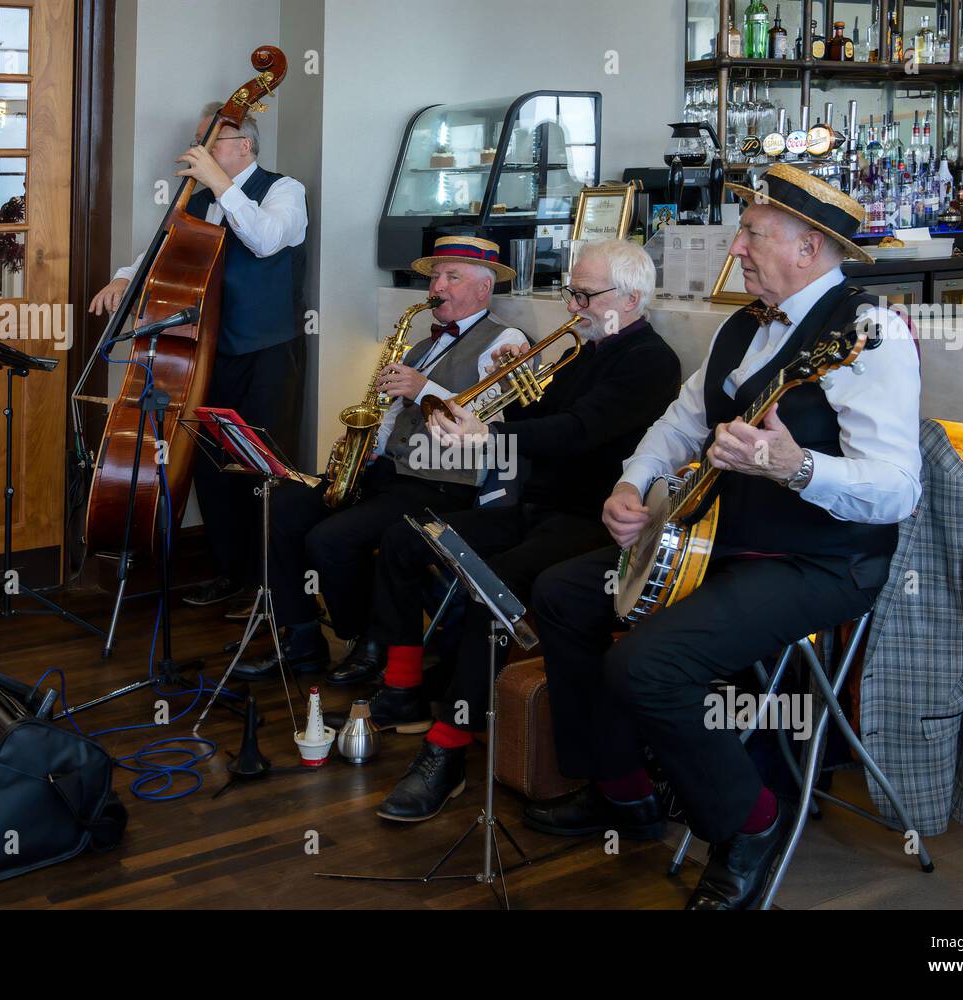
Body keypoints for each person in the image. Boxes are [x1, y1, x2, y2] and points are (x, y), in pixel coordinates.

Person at [527, 164, 923, 910]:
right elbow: (678, 424)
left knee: (647, 665)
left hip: (821, 559)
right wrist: (630, 484)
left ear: (809, 248)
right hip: (718, 540)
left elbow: (898, 490)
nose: (734, 247)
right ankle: (623, 789)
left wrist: (799, 466)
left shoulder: (871, 334)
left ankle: (751, 825)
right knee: (562, 593)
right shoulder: (742, 323)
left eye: (752, 233)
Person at [361, 239, 682, 823]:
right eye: (571, 293)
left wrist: (492, 437)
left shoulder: (649, 361)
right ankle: (403, 686)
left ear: (631, 298)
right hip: (533, 508)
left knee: (495, 584)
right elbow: (534, 417)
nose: (573, 307)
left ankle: (447, 751)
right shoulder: (583, 351)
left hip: (592, 522)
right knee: (411, 536)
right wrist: (477, 412)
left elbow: (577, 430)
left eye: (585, 295)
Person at [230, 237, 530, 682]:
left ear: (484, 289)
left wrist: (422, 387)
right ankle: (302, 637)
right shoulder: (420, 345)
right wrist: (365, 448)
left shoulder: (505, 341)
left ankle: (370, 641)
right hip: (392, 471)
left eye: (452, 277)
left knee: (331, 539)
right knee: (284, 503)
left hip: (445, 482)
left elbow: (491, 419)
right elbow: (391, 413)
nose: (437, 287)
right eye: (434, 276)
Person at [89, 103, 308, 610]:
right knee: (211, 467)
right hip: (207, 353)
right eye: (198, 140)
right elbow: (166, 248)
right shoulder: (203, 199)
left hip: (266, 352)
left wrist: (221, 185)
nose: (200, 150)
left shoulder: (283, 190)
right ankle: (231, 573)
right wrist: (127, 274)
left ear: (245, 146)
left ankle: (272, 589)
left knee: (261, 470)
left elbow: (267, 240)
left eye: (212, 141)